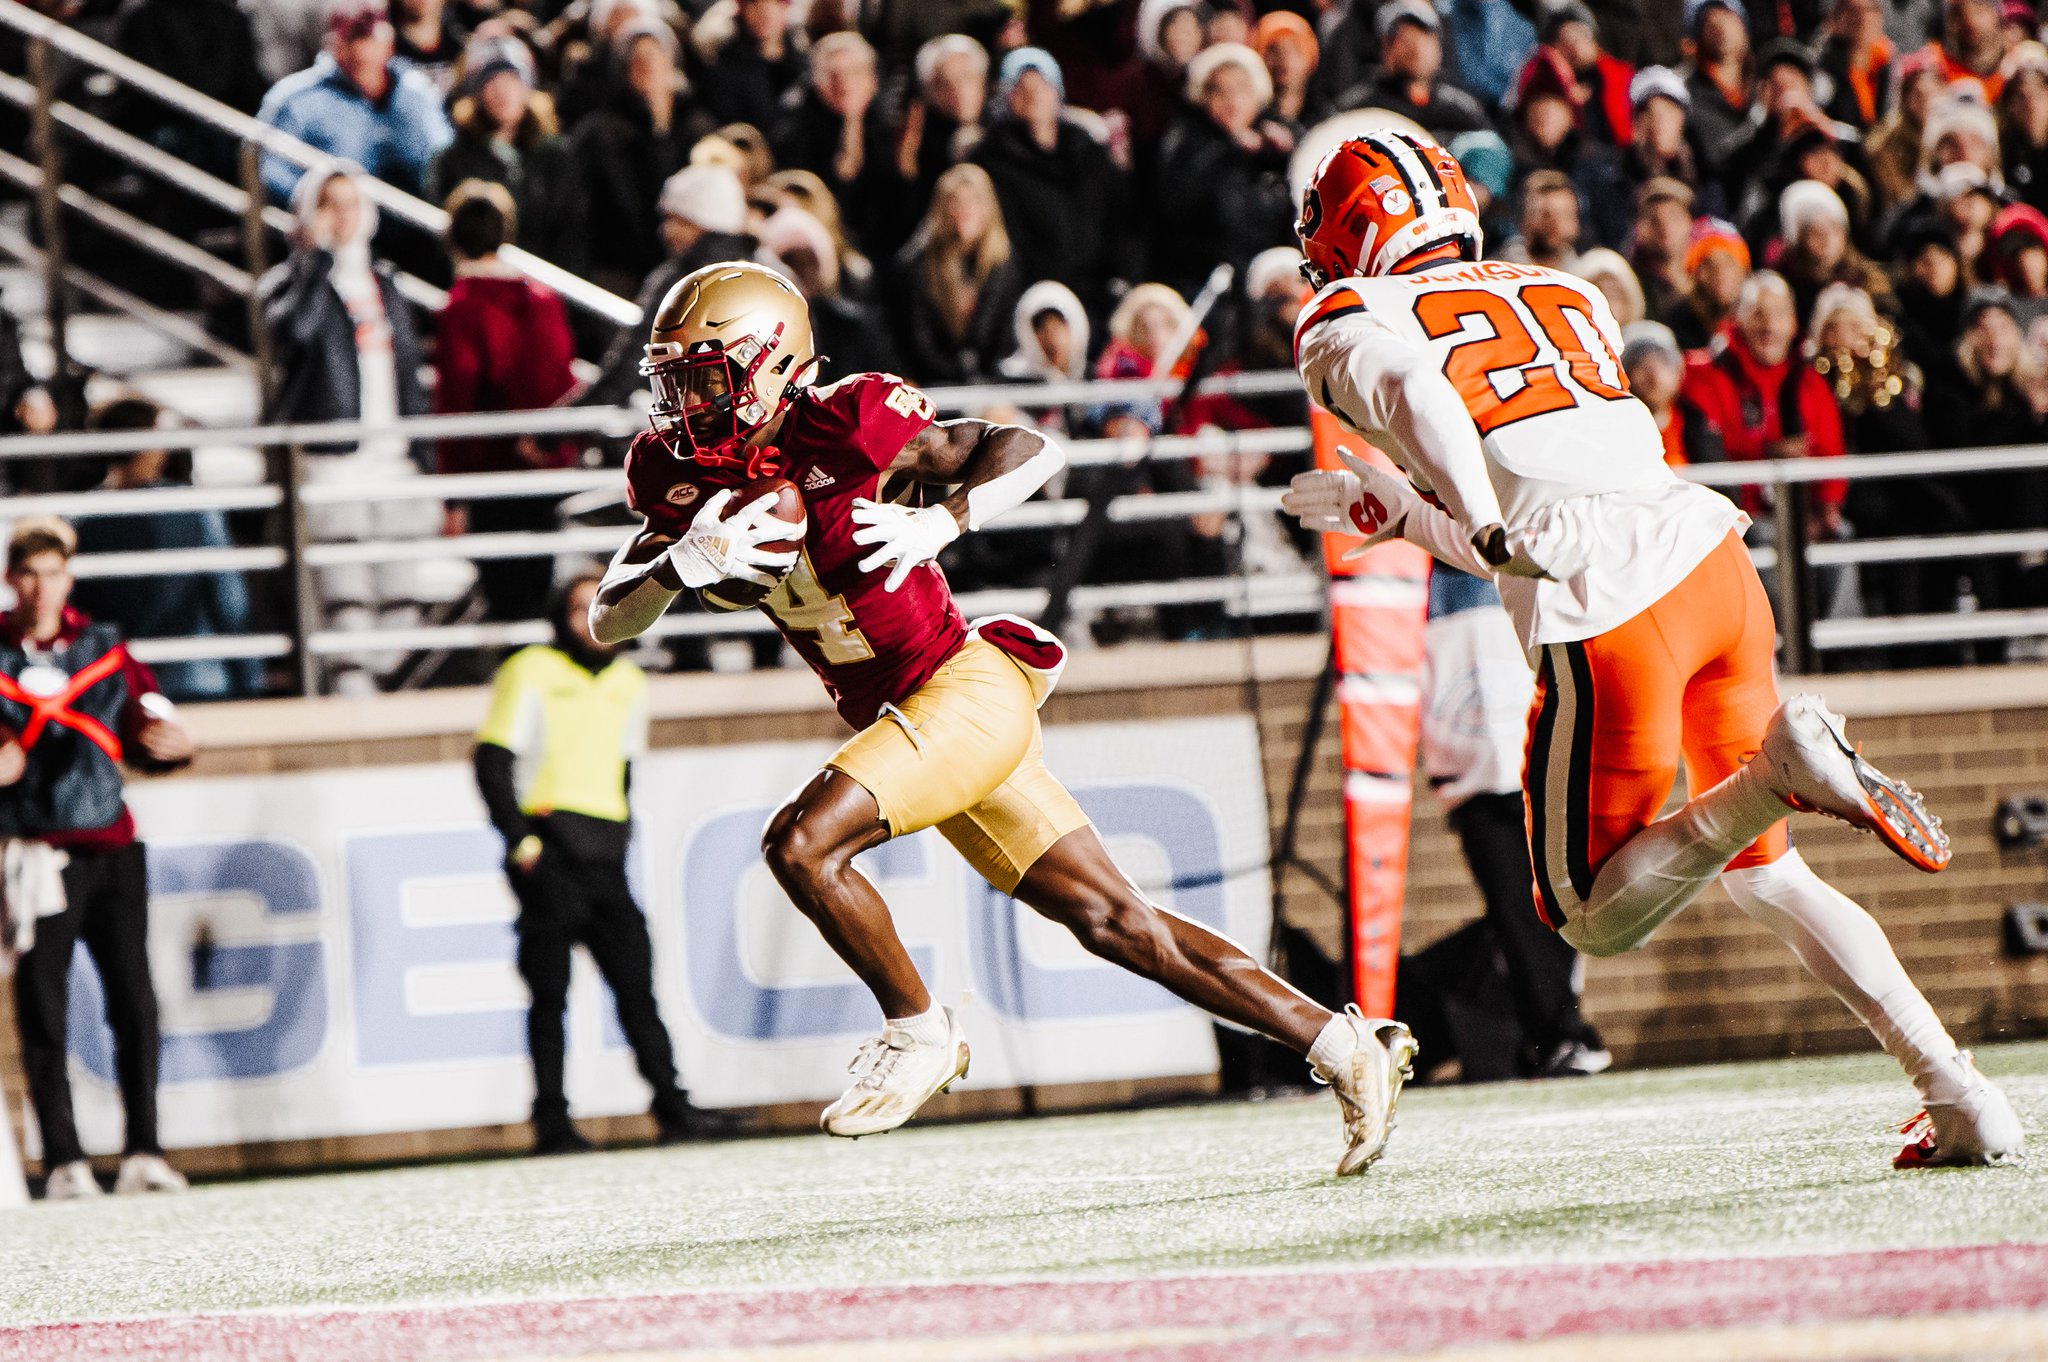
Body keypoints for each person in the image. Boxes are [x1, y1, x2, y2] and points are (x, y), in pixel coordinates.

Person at [1281, 127, 2021, 1167]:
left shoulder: (1346, 312)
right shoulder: (1561, 288)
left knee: (1586, 914)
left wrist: (1474, 513)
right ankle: (1958, 1094)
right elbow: (1541, 505)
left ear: (1356, 226)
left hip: (1609, 611)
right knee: (1765, 877)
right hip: (1706, 558)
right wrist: (1410, 516)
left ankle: (1773, 780)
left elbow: (1431, 406)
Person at [588, 261, 1416, 1176]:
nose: (689, 405)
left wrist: (942, 522)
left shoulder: (850, 420)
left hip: (963, 689)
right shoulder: (675, 471)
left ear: (775, 362)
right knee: (1118, 923)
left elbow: (1031, 448)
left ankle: (920, 1029)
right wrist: (677, 566)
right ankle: (1345, 1047)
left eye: (708, 377)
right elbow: (607, 615)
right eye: (677, 381)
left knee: (800, 846)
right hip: (918, 721)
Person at [474, 573, 715, 1153]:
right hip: (549, 851)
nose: (591, 619)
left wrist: (621, 833)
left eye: (603, 606)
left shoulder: (631, 681)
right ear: (560, 616)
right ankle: (552, 1122)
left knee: (637, 990)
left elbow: (624, 769)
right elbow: (491, 758)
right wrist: (521, 842)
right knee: (550, 996)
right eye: (580, 607)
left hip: (604, 854)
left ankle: (674, 1109)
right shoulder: (531, 668)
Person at [0, 518, 197, 1200]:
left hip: (111, 845)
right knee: (43, 1007)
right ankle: (64, 1160)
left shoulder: (105, 649)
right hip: (37, 852)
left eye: (52, 571)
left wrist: (162, 740)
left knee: (134, 1000)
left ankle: (144, 1148)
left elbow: (143, 711)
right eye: (28, 572)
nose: (41, 586)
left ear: (68, 577)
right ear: (9, 578)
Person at [259, 161, 448, 695]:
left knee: (402, 602)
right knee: (347, 606)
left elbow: (409, 378)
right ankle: (353, 712)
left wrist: (428, 461)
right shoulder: (286, 285)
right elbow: (295, 333)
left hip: (394, 462)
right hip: (332, 465)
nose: (341, 216)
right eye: (328, 204)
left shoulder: (385, 283)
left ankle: (392, 710)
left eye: (349, 203)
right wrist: (315, 259)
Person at [435, 182, 579, 622]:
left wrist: (451, 494)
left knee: (505, 595)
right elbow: (562, 378)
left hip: (491, 471)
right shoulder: (544, 300)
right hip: (543, 466)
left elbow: (456, 399)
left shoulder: (461, 309)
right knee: (538, 584)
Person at [69, 400, 262, 702]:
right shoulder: (191, 507)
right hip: (198, 678)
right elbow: (229, 601)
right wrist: (250, 679)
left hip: (115, 684)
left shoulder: (79, 517)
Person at [970, 48, 1133, 324]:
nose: (1033, 95)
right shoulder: (991, 158)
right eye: (1021, 88)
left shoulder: (1088, 149)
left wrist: (1124, 276)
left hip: (1099, 294)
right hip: (1035, 299)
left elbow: (1125, 218)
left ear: (1057, 92)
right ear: (1007, 97)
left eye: (1042, 85)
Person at [255, 0, 453, 203]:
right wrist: (321, 198)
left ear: (389, 44)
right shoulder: (296, 99)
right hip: (334, 224)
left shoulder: (416, 92)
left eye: (370, 39)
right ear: (334, 46)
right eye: (352, 39)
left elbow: (442, 158)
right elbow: (268, 170)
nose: (362, 51)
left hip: (411, 221)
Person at [425, 35, 582, 270]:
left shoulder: (555, 157)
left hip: (544, 286)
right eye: (492, 82)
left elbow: (571, 234)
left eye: (512, 81)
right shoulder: (452, 160)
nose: (503, 92)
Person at [890, 163, 1025, 386]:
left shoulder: (1004, 265)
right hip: (933, 383)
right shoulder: (918, 265)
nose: (964, 210)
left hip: (991, 384)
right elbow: (917, 342)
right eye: (956, 202)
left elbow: (1004, 340)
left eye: (973, 201)